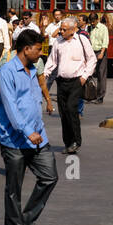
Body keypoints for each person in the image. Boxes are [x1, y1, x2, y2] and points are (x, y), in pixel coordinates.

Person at [0, 29, 59, 225]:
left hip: (38, 137)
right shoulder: (6, 73)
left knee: (50, 177)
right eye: (38, 49)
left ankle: (27, 222)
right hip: (14, 140)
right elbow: (11, 108)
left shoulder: (33, 70)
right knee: (14, 189)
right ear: (26, 49)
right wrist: (25, 129)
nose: (40, 54)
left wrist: (37, 128)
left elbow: (34, 100)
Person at [43, 15, 96, 154]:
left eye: (64, 29)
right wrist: (45, 74)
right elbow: (52, 61)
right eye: (60, 28)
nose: (60, 31)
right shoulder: (58, 42)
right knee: (63, 113)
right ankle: (67, 143)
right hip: (61, 82)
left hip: (76, 82)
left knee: (72, 110)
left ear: (73, 30)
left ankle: (76, 141)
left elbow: (92, 60)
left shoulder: (81, 40)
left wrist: (84, 77)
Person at [88, 12, 109, 103]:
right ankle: (90, 94)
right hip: (91, 52)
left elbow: (105, 41)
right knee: (89, 73)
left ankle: (100, 96)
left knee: (101, 74)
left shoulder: (103, 28)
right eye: (91, 22)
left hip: (100, 52)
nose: (92, 23)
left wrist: (102, 52)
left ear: (97, 20)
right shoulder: (89, 28)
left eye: (93, 21)